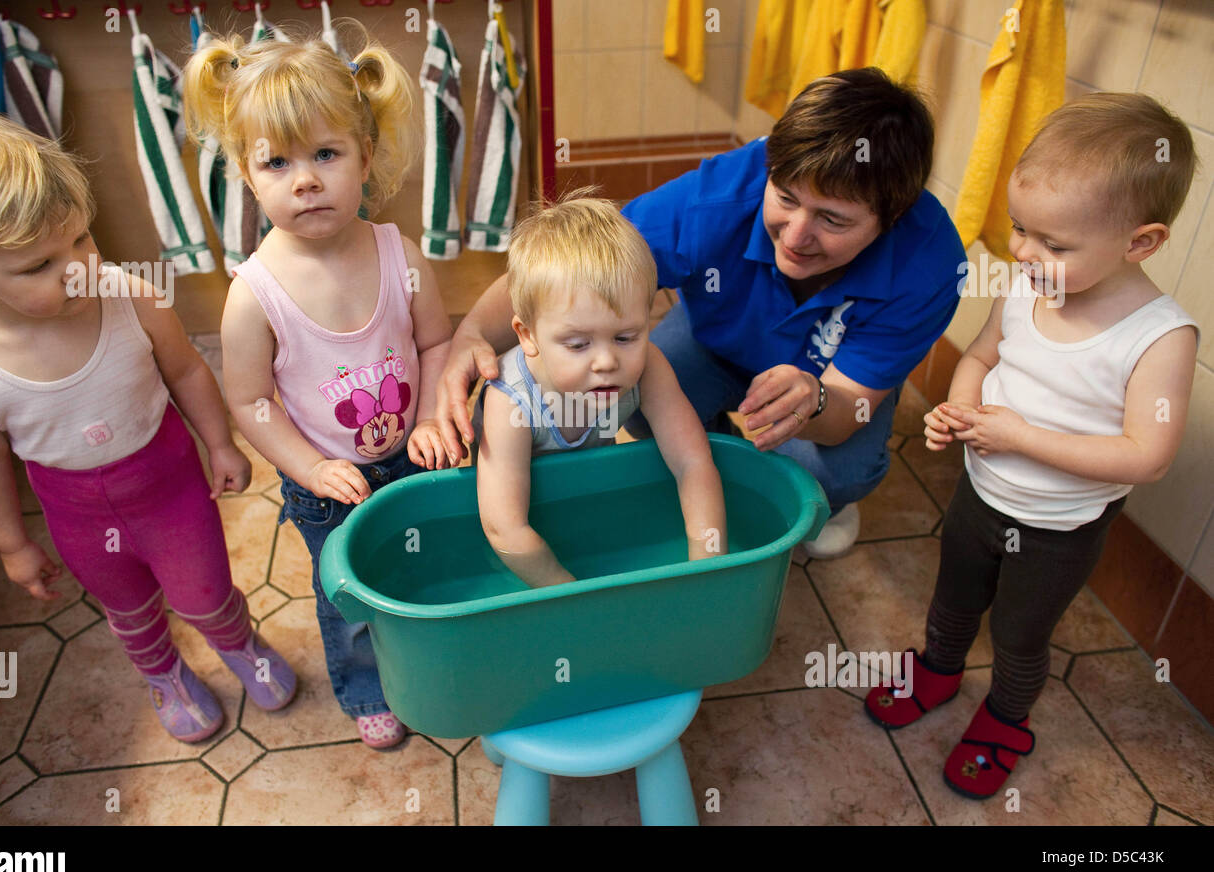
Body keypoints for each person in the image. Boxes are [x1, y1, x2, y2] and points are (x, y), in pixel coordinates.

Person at [437, 68, 965, 558]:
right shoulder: (710, 203)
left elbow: (849, 408)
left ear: (891, 217)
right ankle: (716, 441)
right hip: (714, 339)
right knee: (642, 401)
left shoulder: (929, 266)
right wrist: (470, 336)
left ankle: (822, 497)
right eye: (784, 198)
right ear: (769, 169)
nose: (797, 235)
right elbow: (564, 272)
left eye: (832, 219)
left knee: (832, 468)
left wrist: (819, 398)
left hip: (828, 383)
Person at [0, 113, 296, 744]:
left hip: (170, 484)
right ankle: (165, 675)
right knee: (128, 608)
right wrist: (13, 546)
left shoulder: (128, 294)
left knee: (205, 590)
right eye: (39, 265)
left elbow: (187, 371)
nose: (76, 269)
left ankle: (238, 643)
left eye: (82, 240)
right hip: (78, 515)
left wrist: (220, 442)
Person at [867, 93, 1200, 799]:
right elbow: (984, 355)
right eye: (1021, 228)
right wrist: (961, 405)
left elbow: (1148, 455)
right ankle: (937, 668)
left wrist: (1020, 436)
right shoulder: (1027, 284)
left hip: (1058, 528)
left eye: (1054, 243)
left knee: (1019, 634)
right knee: (954, 596)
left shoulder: (1159, 336)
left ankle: (1007, 718)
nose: (1023, 251)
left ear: (1140, 243)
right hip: (981, 494)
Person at [182, 22, 454, 749]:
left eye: (326, 154)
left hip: (412, 456)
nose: (304, 179)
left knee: (429, 555)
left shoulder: (401, 254)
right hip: (326, 479)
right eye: (277, 163)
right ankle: (367, 684)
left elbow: (434, 339)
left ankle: (437, 645)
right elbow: (250, 401)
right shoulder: (255, 295)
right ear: (247, 174)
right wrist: (309, 466)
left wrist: (429, 416)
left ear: (365, 156)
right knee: (349, 597)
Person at [473, 191, 727, 588]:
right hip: (514, 505)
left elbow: (692, 462)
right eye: (578, 345)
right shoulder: (511, 402)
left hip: (584, 491)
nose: (607, 362)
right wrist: (574, 595)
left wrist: (707, 566)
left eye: (626, 336)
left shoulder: (648, 367)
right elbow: (505, 529)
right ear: (527, 335)